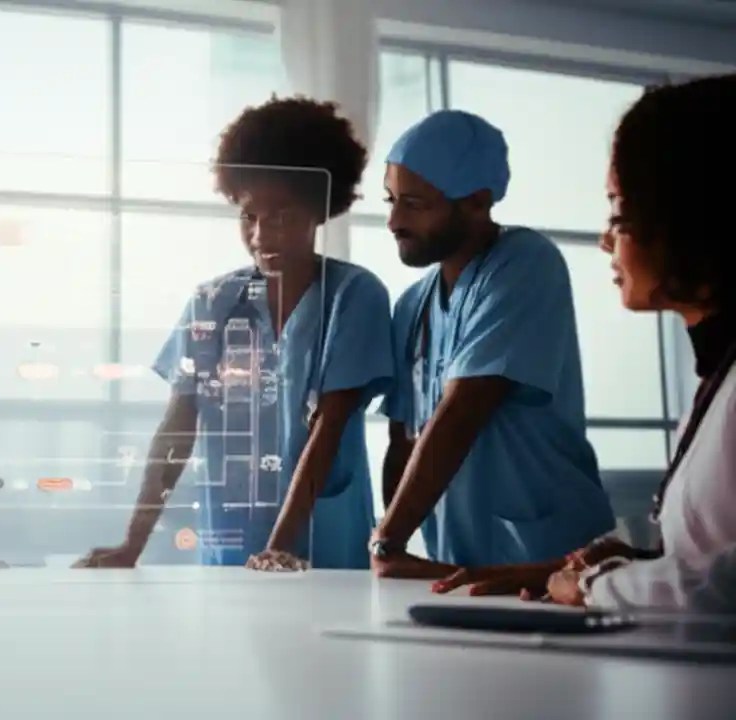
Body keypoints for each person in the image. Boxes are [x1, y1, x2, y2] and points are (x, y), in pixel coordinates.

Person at [434, 74, 736, 610]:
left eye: (619, 212)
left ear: (695, 215)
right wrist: (637, 562)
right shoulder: (717, 376)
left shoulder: (525, 263)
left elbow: (727, 588)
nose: (604, 240)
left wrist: (600, 586)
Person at [75, 97, 393, 570]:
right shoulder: (212, 303)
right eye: (249, 216)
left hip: (326, 545)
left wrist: (279, 548)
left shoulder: (354, 295)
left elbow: (328, 427)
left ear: (318, 211)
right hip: (231, 543)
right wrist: (131, 545)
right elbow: (177, 428)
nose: (262, 234)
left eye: (281, 215)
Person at [371, 110, 615, 578]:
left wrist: (389, 540)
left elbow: (464, 409)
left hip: (548, 557)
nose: (393, 221)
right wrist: (389, 541)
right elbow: (402, 439)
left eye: (415, 204)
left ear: (477, 201)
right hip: (454, 562)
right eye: (391, 200)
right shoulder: (412, 306)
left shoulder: (525, 263)